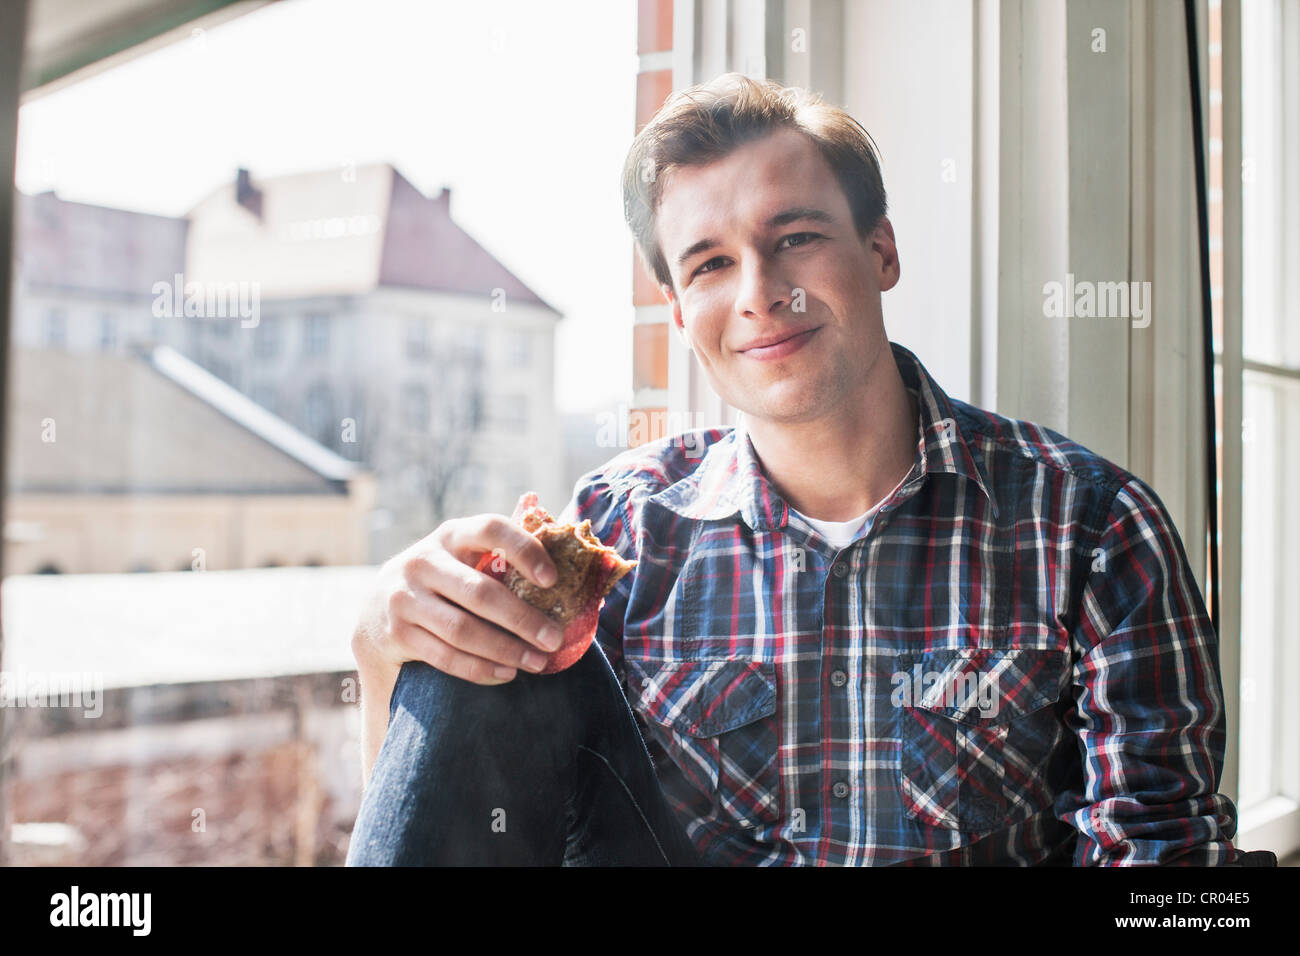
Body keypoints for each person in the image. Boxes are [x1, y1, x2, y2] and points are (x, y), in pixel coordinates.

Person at [346, 72, 1250, 866]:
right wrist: (385, 652)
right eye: (709, 264)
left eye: (797, 238)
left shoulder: (1090, 524)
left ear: (881, 251)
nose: (758, 293)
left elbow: (1168, 868)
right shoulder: (618, 532)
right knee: (470, 641)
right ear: (678, 310)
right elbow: (453, 811)